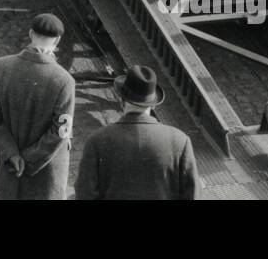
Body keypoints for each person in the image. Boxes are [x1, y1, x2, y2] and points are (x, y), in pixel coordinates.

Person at [0, 13, 76, 200]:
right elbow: (61, 131)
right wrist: (29, 159)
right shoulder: (64, 80)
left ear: (31, 34)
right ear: (57, 40)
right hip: (45, 171)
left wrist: (12, 154)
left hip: (10, 166)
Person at [75, 66, 197, 200]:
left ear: (121, 101)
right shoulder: (179, 141)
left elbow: (85, 194)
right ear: (153, 105)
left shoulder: (96, 140)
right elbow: (192, 195)